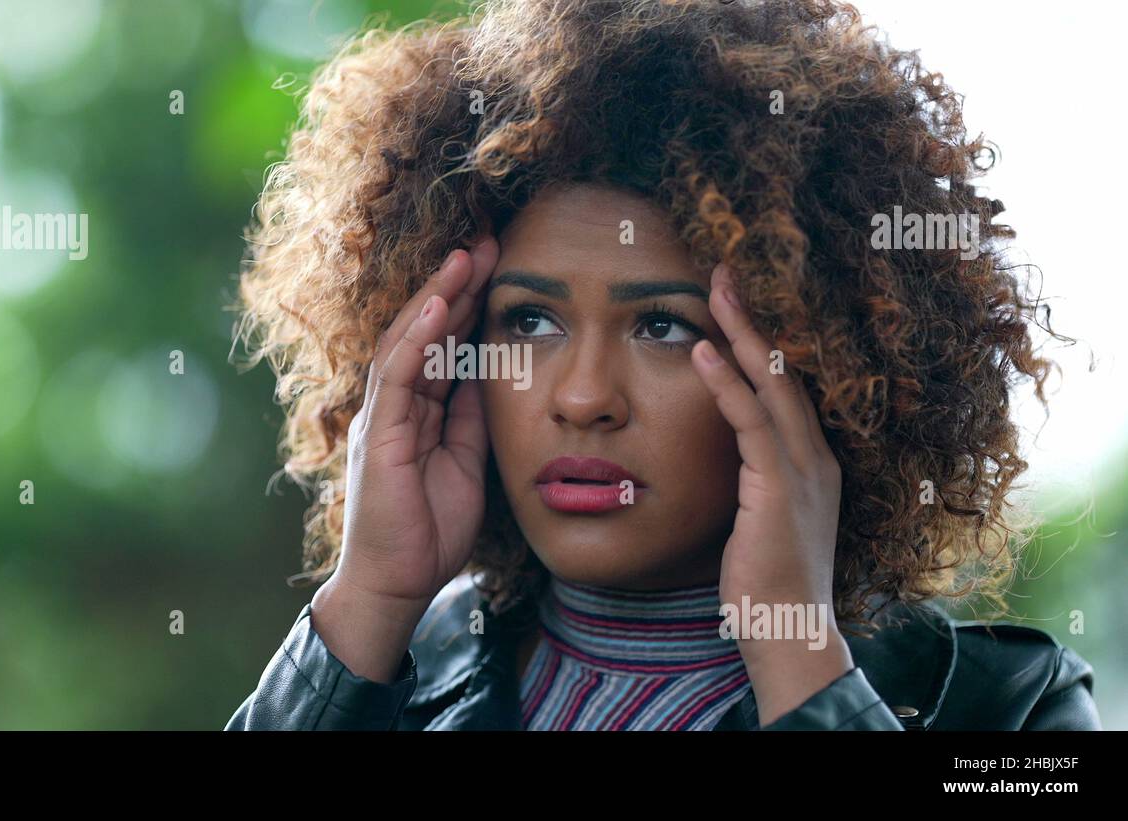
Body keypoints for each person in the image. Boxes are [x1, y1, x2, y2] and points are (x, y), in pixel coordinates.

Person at [223, 0, 1101, 730]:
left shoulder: (1008, 706)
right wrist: (370, 595)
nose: (581, 397)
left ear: (816, 369)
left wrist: (797, 655)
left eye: (663, 328)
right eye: (530, 320)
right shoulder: (390, 669)